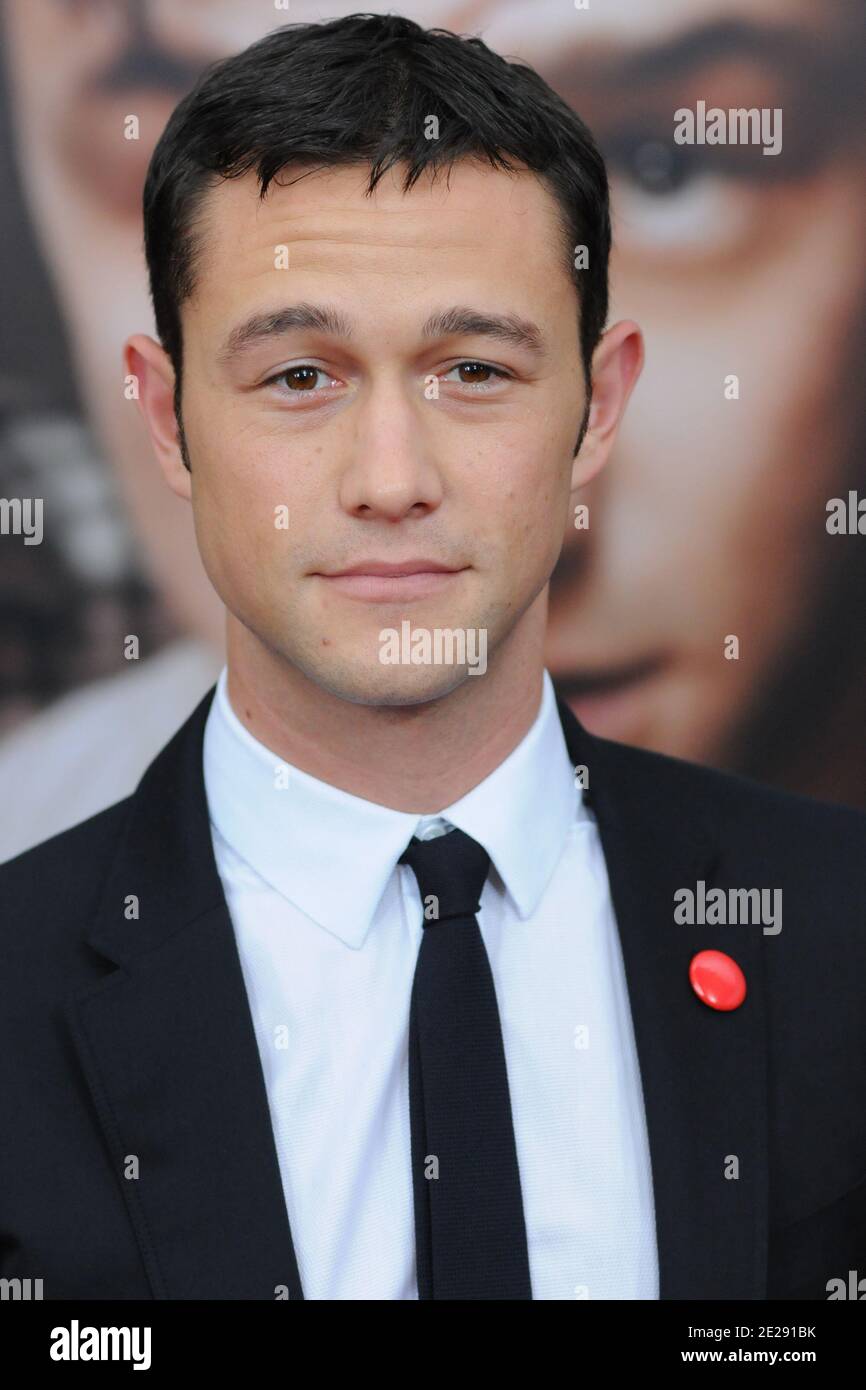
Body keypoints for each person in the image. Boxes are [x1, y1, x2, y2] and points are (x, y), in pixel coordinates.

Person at [1, 14, 864, 1301]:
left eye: (473, 369)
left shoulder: (839, 927)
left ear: (596, 405)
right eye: (298, 375)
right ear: (165, 415)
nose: (390, 479)